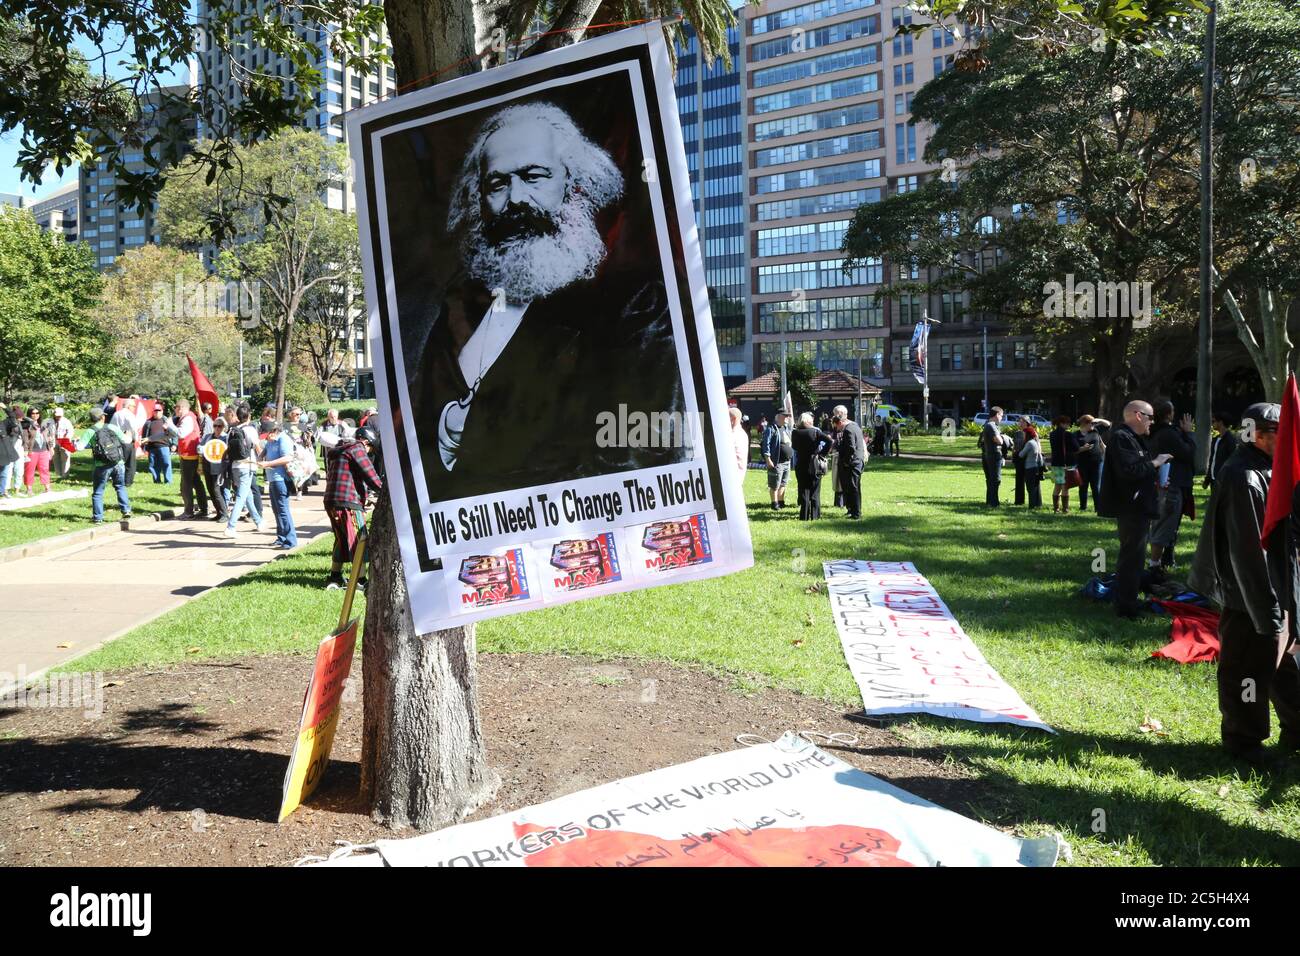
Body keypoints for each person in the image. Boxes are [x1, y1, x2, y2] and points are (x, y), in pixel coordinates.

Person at [408, 101, 687, 502]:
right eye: (497, 184)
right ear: (479, 200)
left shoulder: (633, 306)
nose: (515, 199)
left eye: (533, 176)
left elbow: (643, 454)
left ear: (573, 184)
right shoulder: (458, 307)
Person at [1189, 402, 1300, 766]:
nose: (1282, 442)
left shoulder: (1272, 469)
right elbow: (1248, 551)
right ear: (1255, 433)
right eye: (1275, 435)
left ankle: (1296, 727)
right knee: (1247, 671)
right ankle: (1244, 741)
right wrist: (1264, 609)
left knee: (1283, 664)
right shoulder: (1243, 476)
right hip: (1249, 596)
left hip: (1277, 590)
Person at [1097, 400, 1173, 619]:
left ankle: (1128, 601)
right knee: (1131, 558)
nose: (1152, 422)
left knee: (1134, 557)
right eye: (1150, 417)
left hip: (1138, 507)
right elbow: (1129, 471)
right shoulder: (1122, 438)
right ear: (1138, 415)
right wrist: (1156, 463)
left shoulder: (1132, 439)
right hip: (1131, 509)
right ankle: (1126, 607)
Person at [323, 425, 384, 589]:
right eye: (370, 449)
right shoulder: (357, 448)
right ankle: (360, 580)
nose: (369, 453)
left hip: (331, 502)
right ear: (366, 441)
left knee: (342, 540)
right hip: (348, 502)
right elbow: (371, 475)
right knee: (360, 538)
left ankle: (335, 577)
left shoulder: (339, 450)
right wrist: (385, 492)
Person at [1146, 401, 1196, 573]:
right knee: (1164, 524)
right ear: (1169, 414)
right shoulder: (1168, 433)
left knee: (1167, 524)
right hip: (1171, 485)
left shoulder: (1156, 432)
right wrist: (1188, 434)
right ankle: (1155, 565)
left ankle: (1164, 560)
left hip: (1165, 483)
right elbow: (1188, 454)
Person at [223, 404, 265, 537]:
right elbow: (258, 449)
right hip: (247, 466)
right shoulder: (250, 429)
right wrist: (263, 461)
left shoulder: (232, 430)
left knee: (248, 496)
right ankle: (231, 527)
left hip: (235, 466)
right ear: (249, 416)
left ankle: (259, 522)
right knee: (241, 497)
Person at [257, 421, 299, 550]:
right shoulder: (271, 440)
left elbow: (287, 458)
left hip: (281, 479)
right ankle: (281, 537)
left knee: (283, 510)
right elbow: (264, 452)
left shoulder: (283, 439)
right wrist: (259, 457)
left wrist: (268, 464)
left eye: (267, 435)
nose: (266, 439)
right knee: (276, 510)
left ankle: (290, 540)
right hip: (273, 480)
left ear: (273, 431)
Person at [87, 408, 131, 523]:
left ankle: (98, 518)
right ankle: (126, 510)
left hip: (101, 465)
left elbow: (80, 446)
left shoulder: (90, 431)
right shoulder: (112, 427)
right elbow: (126, 441)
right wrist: (128, 434)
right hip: (118, 462)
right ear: (102, 417)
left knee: (98, 492)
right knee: (120, 486)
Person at [791, 412, 832, 521]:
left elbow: (794, 447)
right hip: (814, 463)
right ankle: (815, 516)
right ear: (809, 421)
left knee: (804, 491)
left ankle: (803, 516)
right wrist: (822, 453)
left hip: (801, 464)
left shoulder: (795, 433)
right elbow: (829, 441)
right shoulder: (815, 432)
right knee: (815, 492)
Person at [174, 399, 209, 519]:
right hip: (190, 454)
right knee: (196, 482)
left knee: (186, 484)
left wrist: (169, 426)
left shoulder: (188, 418)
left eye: (176, 407)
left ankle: (188, 511)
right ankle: (203, 509)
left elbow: (181, 434)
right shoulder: (189, 417)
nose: (175, 410)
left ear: (181, 408)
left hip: (189, 455)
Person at [832, 405, 866, 519]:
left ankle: (856, 512)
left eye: (836, 426)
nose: (837, 429)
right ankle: (851, 509)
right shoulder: (855, 426)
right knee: (850, 487)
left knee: (853, 487)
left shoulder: (848, 429)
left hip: (852, 462)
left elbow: (851, 448)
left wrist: (846, 462)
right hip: (856, 461)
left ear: (840, 423)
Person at [979, 407, 1012, 506]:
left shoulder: (986, 424)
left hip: (987, 455)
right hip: (994, 456)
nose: (1001, 418)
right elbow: (999, 441)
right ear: (997, 414)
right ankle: (994, 503)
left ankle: (990, 501)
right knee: (995, 480)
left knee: (990, 479)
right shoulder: (991, 425)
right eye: (1001, 416)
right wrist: (1005, 438)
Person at [1049, 414, 1081, 513]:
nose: (1069, 425)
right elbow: (1076, 448)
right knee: (1065, 486)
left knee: (1057, 485)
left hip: (1055, 462)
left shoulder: (1052, 434)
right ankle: (1065, 509)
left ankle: (1056, 508)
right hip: (1066, 463)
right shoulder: (1068, 435)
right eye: (1068, 423)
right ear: (1063, 423)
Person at [1075, 415, 1107, 512]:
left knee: (1096, 486)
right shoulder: (1075, 435)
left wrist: (1099, 420)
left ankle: (1098, 507)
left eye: (1094, 423)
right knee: (1083, 486)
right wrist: (1082, 449)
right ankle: (1083, 507)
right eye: (1091, 423)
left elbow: (1108, 425)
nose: (1093, 425)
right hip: (1082, 463)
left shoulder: (1095, 431)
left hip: (1097, 462)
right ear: (1084, 423)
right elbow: (1072, 450)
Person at [762, 410, 792, 511]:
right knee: (774, 484)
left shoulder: (785, 428)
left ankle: (781, 502)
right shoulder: (771, 429)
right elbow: (766, 445)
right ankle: (774, 503)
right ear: (778, 417)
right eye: (785, 416)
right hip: (776, 462)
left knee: (783, 483)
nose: (787, 418)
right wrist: (768, 459)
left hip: (786, 462)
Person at [140, 404, 178, 484]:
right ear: (153, 412)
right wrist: (143, 445)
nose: (157, 412)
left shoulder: (166, 421)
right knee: (153, 465)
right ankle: (156, 481)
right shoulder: (148, 422)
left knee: (166, 464)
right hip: (152, 447)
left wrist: (174, 444)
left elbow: (174, 432)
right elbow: (144, 435)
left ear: (162, 411)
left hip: (164, 446)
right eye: (155, 411)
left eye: (159, 411)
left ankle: (168, 481)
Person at [20, 407, 53, 496]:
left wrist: (50, 449)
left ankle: (47, 488)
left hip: (44, 450)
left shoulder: (43, 424)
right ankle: (29, 489)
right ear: (30, 414)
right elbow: (25, 438)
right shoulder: (26, 424)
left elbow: (48, 437)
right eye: (33, 413)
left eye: (37, 413)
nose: (35, 415)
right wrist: (26, 450)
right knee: (29, 470)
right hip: (32, 451)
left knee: (45, 469)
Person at [203, 417, 231, 522]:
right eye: (215, 425)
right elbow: (200, 448)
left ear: (224, 427)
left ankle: (224, 514)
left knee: (216, 490)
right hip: (207, 465)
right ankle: (219, 513)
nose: (217, 428)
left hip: (219, 467)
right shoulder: (208, 437)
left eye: (220, 426)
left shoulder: (226, 438)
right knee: (210, 490)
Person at [1204, 410, 1240, 491]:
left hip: (1224, 480)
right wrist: (1208, 478)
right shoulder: (1216, 439)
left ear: (1220, 422)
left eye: (1214, 421)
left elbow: (1233, 460)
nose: (1212, 424)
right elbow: (1212, 459)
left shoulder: (1230, 440)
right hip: (1214, 480)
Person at [109, 399, 141, 486]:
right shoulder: (129, 415)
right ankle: (127, 482)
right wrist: (136, 439)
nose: (134, 408)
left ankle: (116, 480)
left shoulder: (116, 414)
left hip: (117, 441)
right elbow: (133, 428)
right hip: (127, 440)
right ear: (128, 406)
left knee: (118, 462)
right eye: (133, 406)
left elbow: (111, 427)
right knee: (130, 463)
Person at [1019, 424, 1046, 509]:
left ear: (1027, 434)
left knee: (1030, 488)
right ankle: (1038, 504)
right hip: (1036, 467)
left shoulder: (1029, 443)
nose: (1023, 435)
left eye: (1024, 434)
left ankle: (1032, 505)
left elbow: (1021, 454)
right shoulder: (1036, 442)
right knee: (1036, 487)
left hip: (1030, 467)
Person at [0, 406, 21, 497]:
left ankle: (1, 492)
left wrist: (5, 407)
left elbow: (12, 417)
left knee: (4, 474)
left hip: (4, 453)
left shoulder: (3, 423)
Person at [50, 407, 75, 479]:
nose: (58, 417)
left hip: (64, 441)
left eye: (59, 416)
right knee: (55, 458)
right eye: (57, 415)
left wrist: (65, 440)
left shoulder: (66, 421)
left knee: (65, 458)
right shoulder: (51, 421)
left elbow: (70, 431)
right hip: (54, 441)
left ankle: (65, 475)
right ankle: (58, 474)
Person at [1011, 419, 1030, 505]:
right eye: (1019, 421)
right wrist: (1013, 456)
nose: (1020, 423)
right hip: (1018, 458)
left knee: (1029, 481)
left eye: (1022, 422)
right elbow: (1014, 446)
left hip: (1028, 458)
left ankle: (1033, 502)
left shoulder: (1031, 432)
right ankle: (1019, 501)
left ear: (1027, 423)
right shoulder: (1017, 433)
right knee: (1019, 480)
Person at [729, 406, 749, 478]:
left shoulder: (733, 435)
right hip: (739, 473)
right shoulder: (742, 433)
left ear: (733, 419)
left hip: (733, 475)